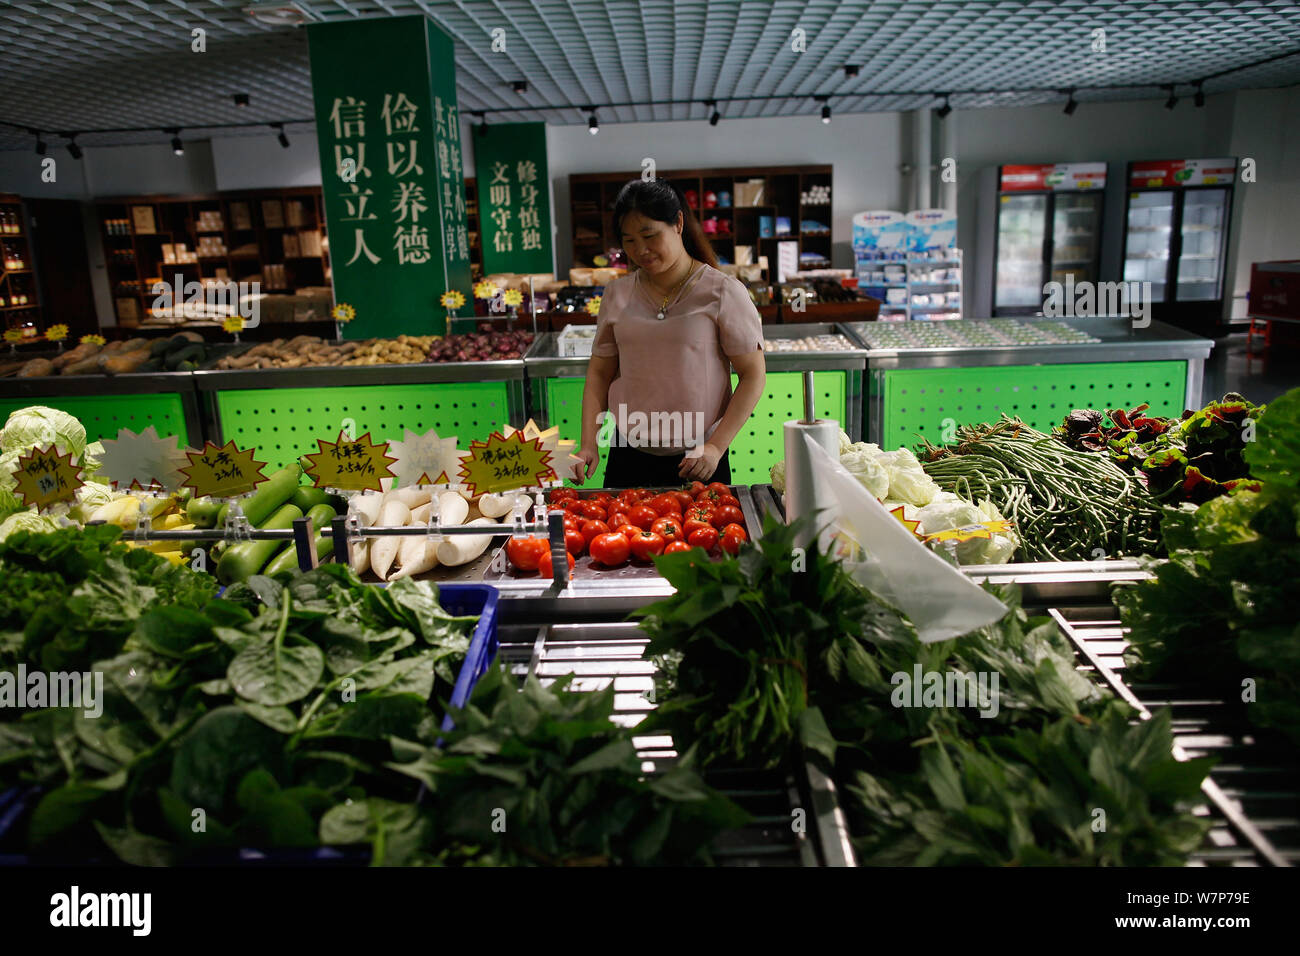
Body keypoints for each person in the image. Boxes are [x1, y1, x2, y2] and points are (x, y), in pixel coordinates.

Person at [572, 178, 766, 487]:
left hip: (698, 458)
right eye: (629, 240)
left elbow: (753, 375)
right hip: (627, 454)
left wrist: (716, 446)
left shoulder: (722, 291)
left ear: (678, 222)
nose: (641, 250)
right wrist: (588, 443)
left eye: (650, 235)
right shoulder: (616, 294)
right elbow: (598, 374)